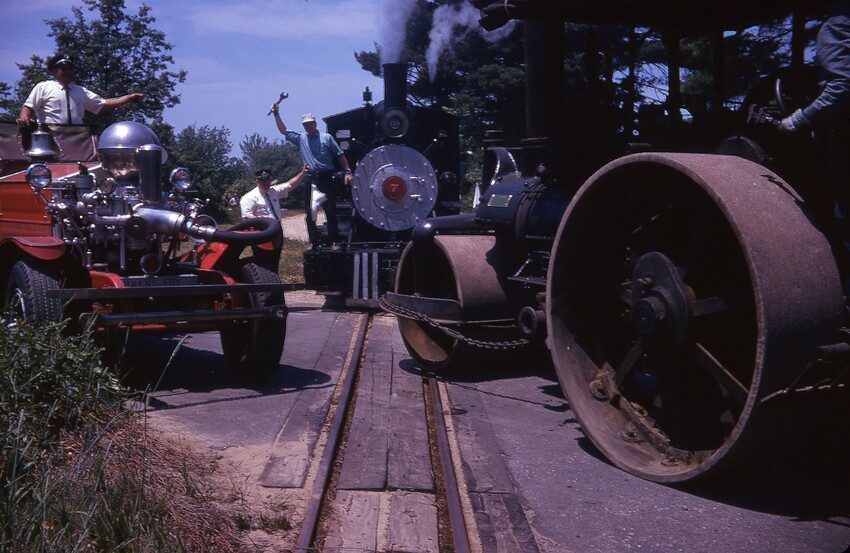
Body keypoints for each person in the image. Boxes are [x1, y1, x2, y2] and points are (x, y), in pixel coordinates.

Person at [270, 106, 352, 244]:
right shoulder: (301, 138)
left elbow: (340, 155)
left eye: (310, 124)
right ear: (304, 126)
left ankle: (335, 242)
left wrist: (348, 170)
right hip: (310, 177)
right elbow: (283, 130)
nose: (308, 127)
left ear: (315, 124)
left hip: (326, 177)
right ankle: (313, 242)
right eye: (306, 125)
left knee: (330, 210)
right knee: (309, 212)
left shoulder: (327, 138)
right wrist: (276, 114)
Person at [16, 53, 144, 127]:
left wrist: (129, 98)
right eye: (63, 69)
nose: (68, 72)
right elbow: (28, 107)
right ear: (55, 71)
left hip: (77, 137)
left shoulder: (80, 91)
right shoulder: (43, 87)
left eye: (70, 69)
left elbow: (103, 104)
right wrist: (24, 117)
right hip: (50, 135)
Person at [240, 166, 308, 270]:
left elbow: (290, 185)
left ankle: (274, 279)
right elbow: (246, 217)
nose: (265, 183)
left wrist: (303, 173)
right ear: (257, 181)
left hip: (277, 229)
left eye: (267, 180)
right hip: (262, 232)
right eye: (262, 181)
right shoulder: (249, 197)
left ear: (270, 180)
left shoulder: (273, 191)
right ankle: (264, 282)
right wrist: (264, 224)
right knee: (262, 259)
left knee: (275, 257)